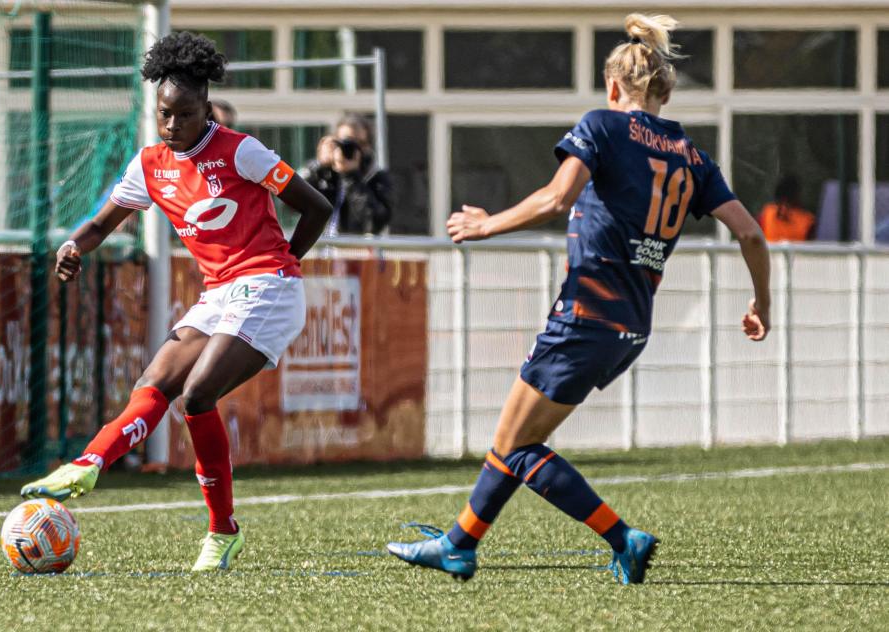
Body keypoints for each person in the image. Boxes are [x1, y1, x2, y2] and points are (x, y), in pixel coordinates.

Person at [386, 14, 771, 585]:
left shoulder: (605, 126)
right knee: (515, 439)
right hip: (631, 326)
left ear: (614, 88)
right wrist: (762, 301)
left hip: (586, 314)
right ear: (665, 92)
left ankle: (622, 537)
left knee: (517, 445)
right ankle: (459, 545)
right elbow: (751, 233)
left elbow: (555, 197)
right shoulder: (692, 156)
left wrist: (489, 225)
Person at [20, 32, 332, 572]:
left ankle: (221, 531)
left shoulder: (242, 151)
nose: (172, 126)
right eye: (164, 115)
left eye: (184, 115)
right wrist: (73, 245)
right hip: (219, 293)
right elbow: (100, 223)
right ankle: (88, 463)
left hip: (269, 286)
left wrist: (287, 260)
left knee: (196, 396)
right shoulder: (150, 164)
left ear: (205, 109)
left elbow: (318, 206)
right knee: (153, 385)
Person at [301, 113, 394, 236]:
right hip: (323, 252)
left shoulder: (377, 177)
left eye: (359, 143)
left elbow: (373, 223)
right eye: (346, 142)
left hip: (359, 253)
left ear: (368, 146)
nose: (352, 148)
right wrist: (319, 167)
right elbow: (292, 205)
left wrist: (351, 177)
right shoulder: (325, 174)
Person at [756, 174, 815, 242]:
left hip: (769, 252)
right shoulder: (808, 221)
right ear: (797, 195)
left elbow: (754, 240)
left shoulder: (765, 215)